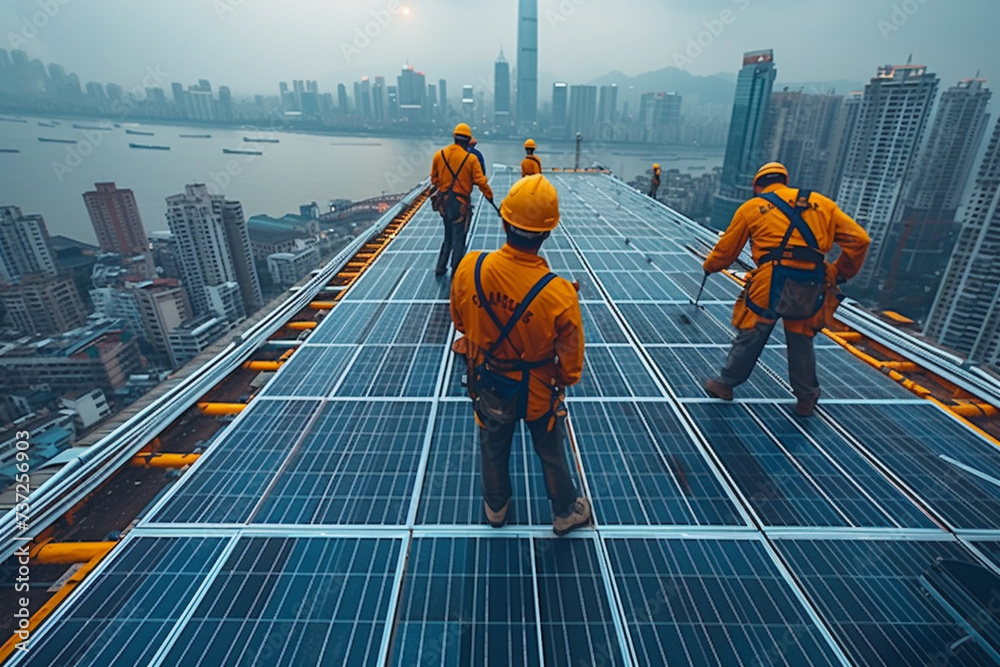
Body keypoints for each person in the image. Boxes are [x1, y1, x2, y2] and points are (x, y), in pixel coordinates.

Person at [450, 173, 592, 536]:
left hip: (489, 382)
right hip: (537, 390)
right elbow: (572, 361)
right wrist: (561, 379)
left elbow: (460, 320)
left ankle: (496, 507)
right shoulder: (560, 293)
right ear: (547, 233)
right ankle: (564, 512)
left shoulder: (471, 267)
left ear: (504, 221)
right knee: (551, 452)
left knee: (493, 446)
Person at [702, 162, 870, 417]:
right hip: (812, 280)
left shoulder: (752, 207)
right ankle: (806, 399)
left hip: (771, 279)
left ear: (757, 186)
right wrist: (839, 272)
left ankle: (725, 385)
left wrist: (710, 266)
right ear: (785, 180)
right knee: (801, 339)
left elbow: (726, 252)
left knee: (752, 334)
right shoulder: (822, 204)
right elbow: (860, 240)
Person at [431, 123, 494, 277]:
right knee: (459, 236)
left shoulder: (440, 155)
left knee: (448, 235)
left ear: (454, 138)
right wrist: (490, 197)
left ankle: (441, 267)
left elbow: (434, 179)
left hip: (444, 203)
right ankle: (456, 271)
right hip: (460, 204)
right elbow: (481, 181)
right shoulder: (471, 159)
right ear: (467, 141)